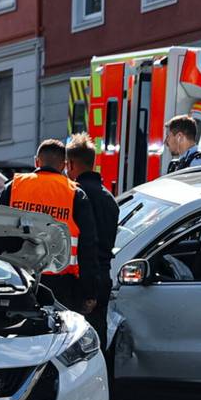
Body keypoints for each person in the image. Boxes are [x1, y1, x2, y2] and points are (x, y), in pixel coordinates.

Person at [0, 139, 94, 311]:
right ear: (64, 165)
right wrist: (88, 291)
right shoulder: (75, 194)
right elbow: (88, 246)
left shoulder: (13, 188)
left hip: (17, 278)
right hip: (62, 284)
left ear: (37, 161)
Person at [66, 134, 118, 353]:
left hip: (78, 281)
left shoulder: (71, 195)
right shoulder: (110, 199)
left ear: (70, 164)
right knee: (97, 342)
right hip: (102, 279)